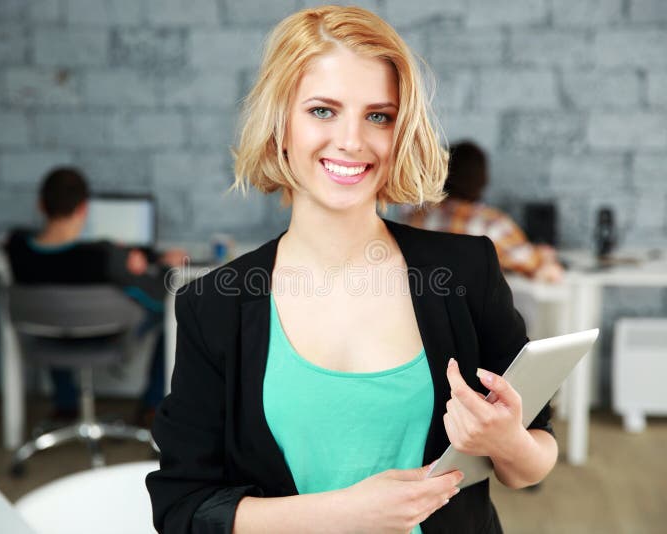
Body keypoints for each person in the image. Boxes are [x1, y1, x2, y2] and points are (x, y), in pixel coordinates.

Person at [146, 6, 557, 534]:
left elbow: (533, 458)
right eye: (322, 111)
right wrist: (347, 514)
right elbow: (183, 510)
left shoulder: (466, 270)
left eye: (378, 116)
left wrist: (508, 442)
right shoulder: (214, 306)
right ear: (280, 125)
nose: (352, 141)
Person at [5, 167, 187, 426]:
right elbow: (157, 295)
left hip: (49, 340)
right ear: (83, 209)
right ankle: (152, 405)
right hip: (104, 338)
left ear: (41, 205)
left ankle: (66, 405)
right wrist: (165, 266)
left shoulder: (17, 248)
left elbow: (29, 238)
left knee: (55, 310)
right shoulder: (103, 255)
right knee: (172, 315)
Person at [405, 141, 564, 283]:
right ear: (482, 179)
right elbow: (536, 267)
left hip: (422, 304)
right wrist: (546, 256)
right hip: (472, 306)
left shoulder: (415, 218)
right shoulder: (491, 224)